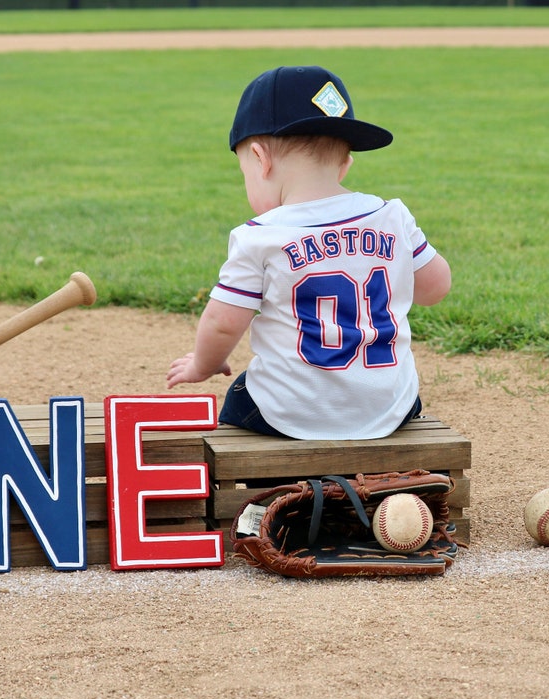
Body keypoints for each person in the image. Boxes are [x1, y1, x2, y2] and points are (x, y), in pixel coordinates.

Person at [167, 65, 451, 440]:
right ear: (345, 163)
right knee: (399, 390)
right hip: (391, 409)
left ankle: (261, 492)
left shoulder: (260, 236)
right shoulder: (392, 216)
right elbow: (435, 288)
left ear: (259, 159)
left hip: (290, 416)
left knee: (240, 393)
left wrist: (205, 363)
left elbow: (222, 322)